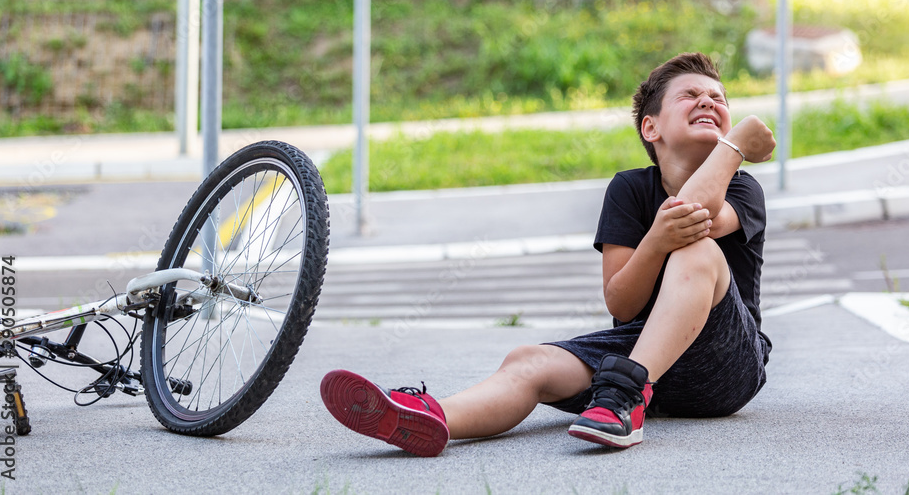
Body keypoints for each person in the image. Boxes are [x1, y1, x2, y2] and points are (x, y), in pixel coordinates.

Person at [320, 52, 776, 456]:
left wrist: (731, 151)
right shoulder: (629, 189)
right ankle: (425, 416)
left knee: (695, 248)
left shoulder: (742, 187)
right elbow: (622, 304)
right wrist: (654, 238)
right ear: (650, 127)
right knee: (527, 359)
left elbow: (694, 215)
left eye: (719, 98)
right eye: (690, 94)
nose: (709, 101)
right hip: (640, 356)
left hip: (725, 367)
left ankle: (625, 397)